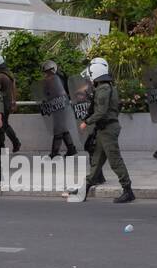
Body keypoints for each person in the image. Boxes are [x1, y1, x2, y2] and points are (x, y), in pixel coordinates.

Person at [78, 56, 134, 203]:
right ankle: (84, 189)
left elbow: (101, 112)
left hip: (108, 129)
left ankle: (128, 191)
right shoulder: (104, 87)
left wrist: (86, 122)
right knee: (96, 161)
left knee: (115, 160)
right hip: (104, 129)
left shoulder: (104, 89)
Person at [43, 60, 77, 158]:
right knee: (63, 128)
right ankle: (71, 149)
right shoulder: (60, 77)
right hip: (63, 105)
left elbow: (51, 93)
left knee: (58, 129)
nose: (46, 74)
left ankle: (54, 152)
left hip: (58, 106)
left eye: (47, 72)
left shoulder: (53, 79)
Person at [0, 53, 21, 154]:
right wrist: (13, 102)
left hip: (1, 106)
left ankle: (7, 146)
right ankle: (14, 143)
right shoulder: (8, 74)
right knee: (4, 126)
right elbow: (13, 89)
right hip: (7, 104)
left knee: (1, 127)